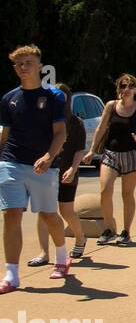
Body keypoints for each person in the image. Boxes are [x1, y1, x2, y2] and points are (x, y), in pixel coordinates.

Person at [0, 45, 69, 290]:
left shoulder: (54, 96)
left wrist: (49, 157)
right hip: (11, 162)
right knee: (11, 215)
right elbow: (5, 135)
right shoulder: (9, 98)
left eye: (28, 62)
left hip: (44, 166)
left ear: (40, 66)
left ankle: (62, 257)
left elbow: (60, 133)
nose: (23, 67)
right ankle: (11, 274)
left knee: (49, 215)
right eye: (19, 64)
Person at [88, 73, 136, 245]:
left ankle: (126, 232)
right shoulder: (111, 105)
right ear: (118, 89)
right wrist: (92, 150)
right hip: (111, 153)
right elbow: (101, 128)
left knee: (127, 194)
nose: (126, 89)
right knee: (105, 190)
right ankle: (109, 230)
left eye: (130, 86)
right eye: (123, 86)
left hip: (132, 154)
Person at [30, 83, 86, 268]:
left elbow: (79, 150)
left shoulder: (75, 122)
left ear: (67, 99)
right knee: (44, 212)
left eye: (62, 96)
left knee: (66, 211)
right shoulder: (43, 119)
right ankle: (44, 253)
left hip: (67, 172)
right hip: (46, 172)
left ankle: (80, 238)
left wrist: (73, 169)